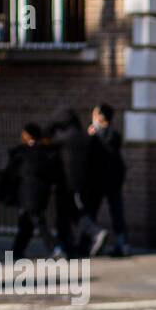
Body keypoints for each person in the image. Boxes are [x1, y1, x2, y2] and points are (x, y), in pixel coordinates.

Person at [46, 106, 107, 257]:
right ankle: (72, 244)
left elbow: (45, 139)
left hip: (65, 184)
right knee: (74, 213)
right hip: (84, 183)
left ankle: (66, 245)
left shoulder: (62, 138)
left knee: (66, 215)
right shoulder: (85, 137)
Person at [1, 123, 60, 259]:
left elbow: (13, 173)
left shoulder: (24, 153)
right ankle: (16, 252)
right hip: (38, 193)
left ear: (28, 135)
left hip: (28, 194)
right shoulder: (45, 152)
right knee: (26, 224)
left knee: (37, 221)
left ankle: (54, 248)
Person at [85, 104, 128, 256]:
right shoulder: (115, 135)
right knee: (116, 211)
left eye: (95, 114)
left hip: (98, 180)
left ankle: (90, 242)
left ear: (101, 117)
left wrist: (92, 135)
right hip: (113, 180)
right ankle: (121, 243)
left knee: (90, 210)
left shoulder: (99, 136)